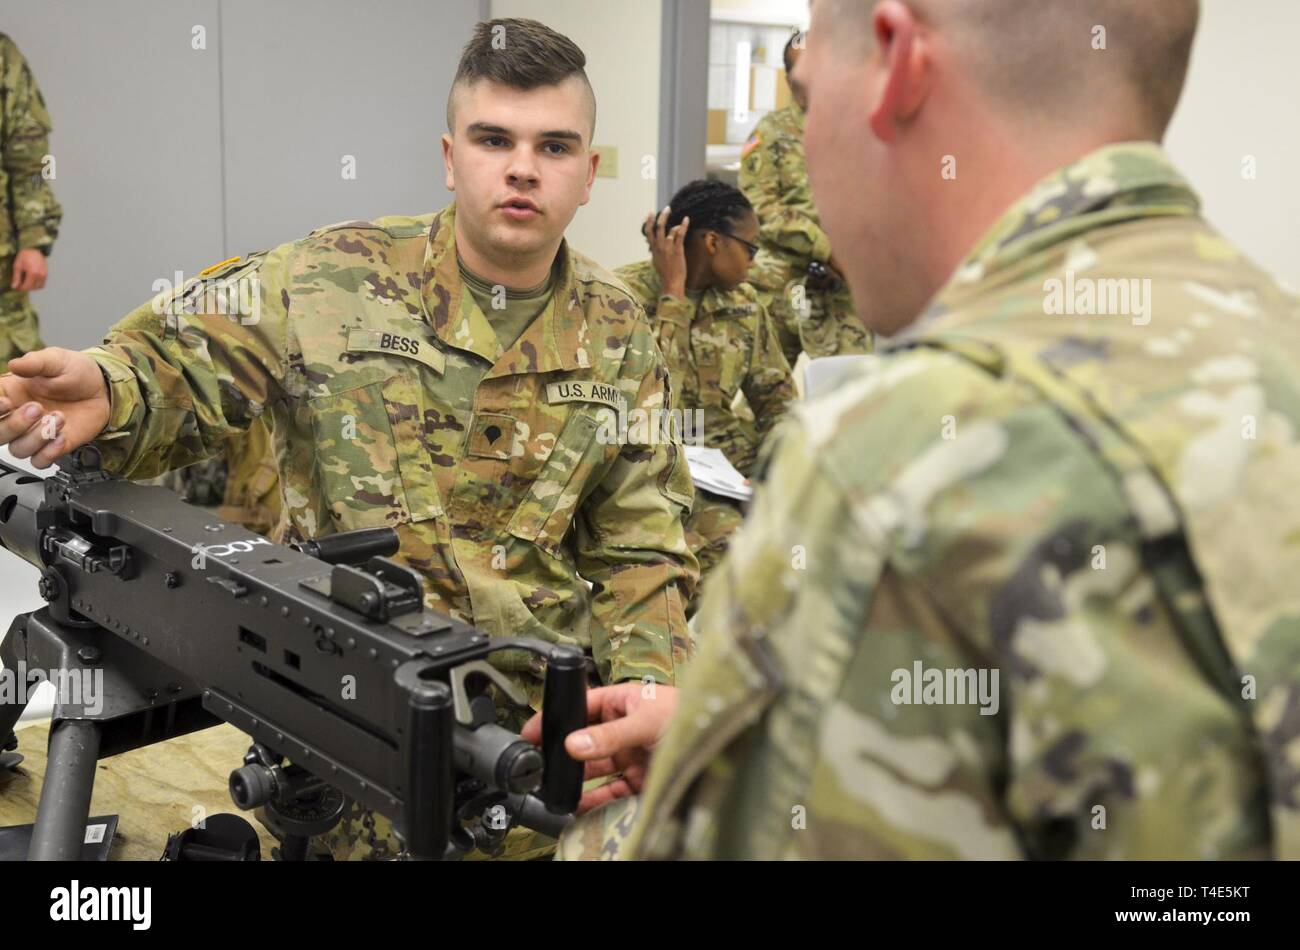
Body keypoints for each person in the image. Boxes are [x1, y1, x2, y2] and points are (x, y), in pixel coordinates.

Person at [529, 0, 1300, 860]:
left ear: (896, 63)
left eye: (813, 100)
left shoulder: (893, 464)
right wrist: (749, 734)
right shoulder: (1274, 344)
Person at [0, 18, 698, 859]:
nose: (521, 167)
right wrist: (114, 387)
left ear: (588, 175)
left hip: (536, 747)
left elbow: (643, 544)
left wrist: (653, 685)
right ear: (450, 157)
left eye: (553, 146)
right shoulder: (334, 278)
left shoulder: (622, 332)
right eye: (493, 139)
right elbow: (184, 359)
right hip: (334, 736)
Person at [615, 180, 794, 591]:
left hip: (729, 468)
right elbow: (657, 403)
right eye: (750, 248)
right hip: (651, 463)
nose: (753, 262)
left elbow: (778, 404)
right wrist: (673, 293)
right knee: (731, 548)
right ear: (713, 242)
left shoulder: (744, 305)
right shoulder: (621, 296)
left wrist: (773, 474)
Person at [740, 30, 869, 365]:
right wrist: (825, 247)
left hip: (842, 287)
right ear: (788, 75)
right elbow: (759, 207)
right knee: (769, 393)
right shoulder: (770, 132)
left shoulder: (860, 128)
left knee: (850, 386)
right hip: (781, 281)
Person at [0, 33, 62, 373]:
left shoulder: (2, 57)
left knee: (15, 384)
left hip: (2, 270)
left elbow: (28, 158)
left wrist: (33, 242)